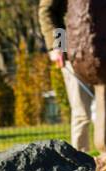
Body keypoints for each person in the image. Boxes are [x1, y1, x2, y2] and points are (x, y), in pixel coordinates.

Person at [39, 0, 94, 151]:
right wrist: (57, 45)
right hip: (74, 51)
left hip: (103, 49)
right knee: (82, 113)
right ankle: (81, 161)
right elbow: (47, 12)